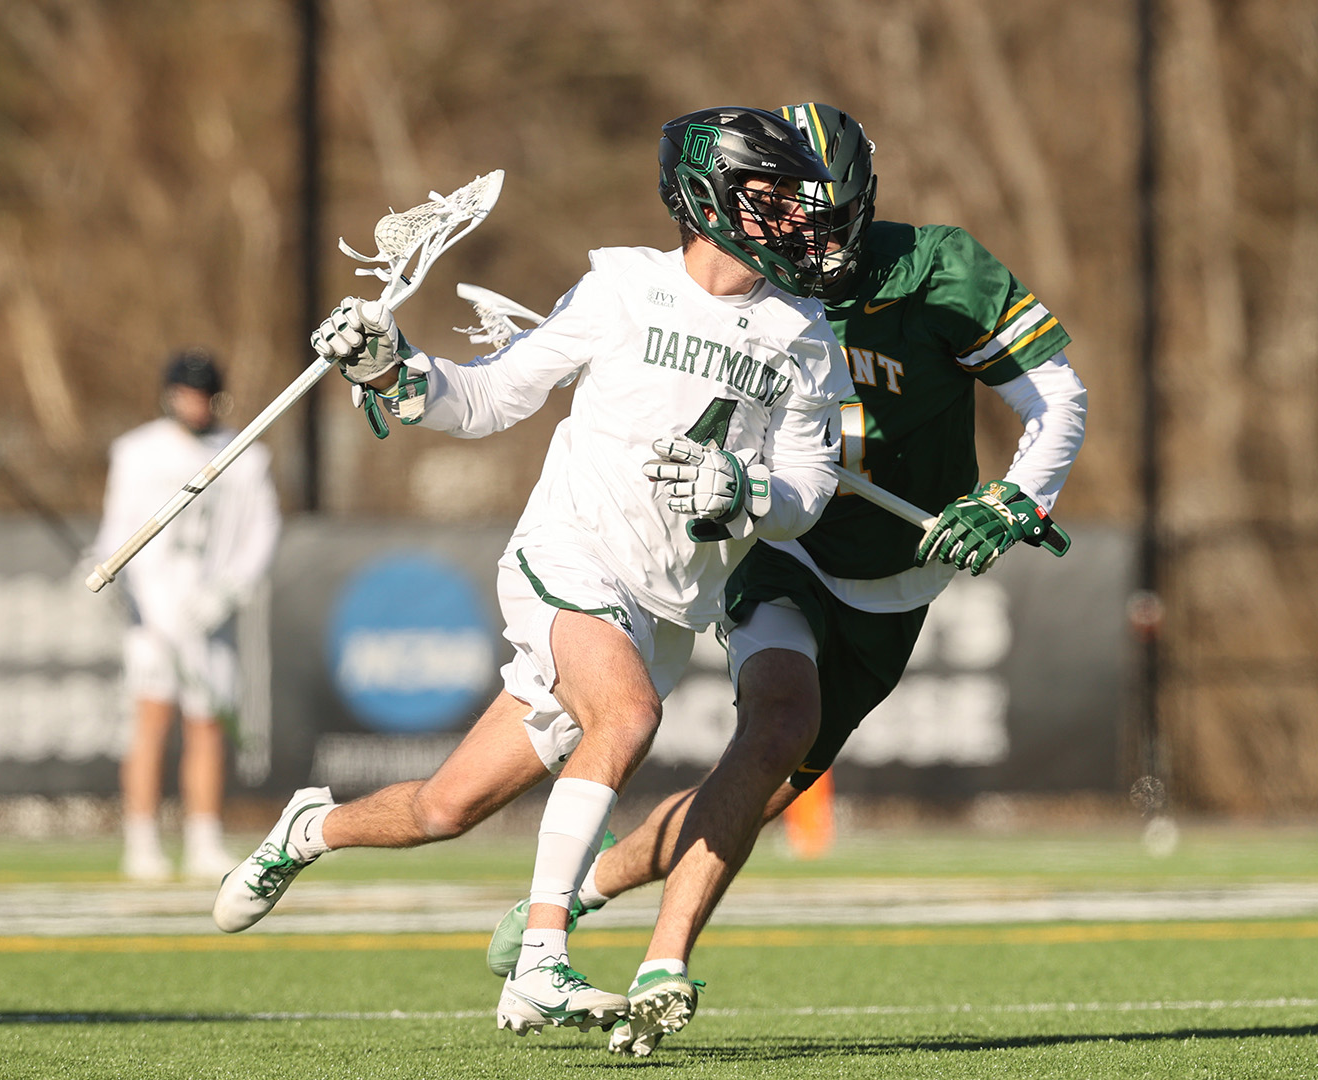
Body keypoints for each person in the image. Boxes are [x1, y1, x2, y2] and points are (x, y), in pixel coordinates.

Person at [209, 107, 854, 1039]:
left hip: (668, 607)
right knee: (627, 716)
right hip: (571, 554)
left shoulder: (804, 332)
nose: (796, 218)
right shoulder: (619, 287)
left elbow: (810, 487)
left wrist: (748, 489)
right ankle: (540, 963)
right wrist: (395, 373)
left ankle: (306, 831)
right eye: (771, 196)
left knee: (445, 807)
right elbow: (487, 396)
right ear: (710, 197)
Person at [480, 103, 1090, 1057]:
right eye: (775, 210)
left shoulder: (937, 269)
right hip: (779, 541)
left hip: (895, 578)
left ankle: (588, 882)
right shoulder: (750, 292)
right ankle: (662, 964)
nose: (792, 237)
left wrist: (1017, 496)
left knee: (760, 784)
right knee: (776, 720)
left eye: (815, 216)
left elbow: (1055, 392)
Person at [89, 349, 280, 882]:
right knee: (151, 721)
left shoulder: (245, 453)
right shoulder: (136, 452)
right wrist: (109, 568)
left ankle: (203, 838)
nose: (195, 405)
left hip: (207, 613)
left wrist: (230, 590)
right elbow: (118, 524)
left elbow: (261, 533)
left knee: (206, 726)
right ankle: (142, 841)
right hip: (152, 613)